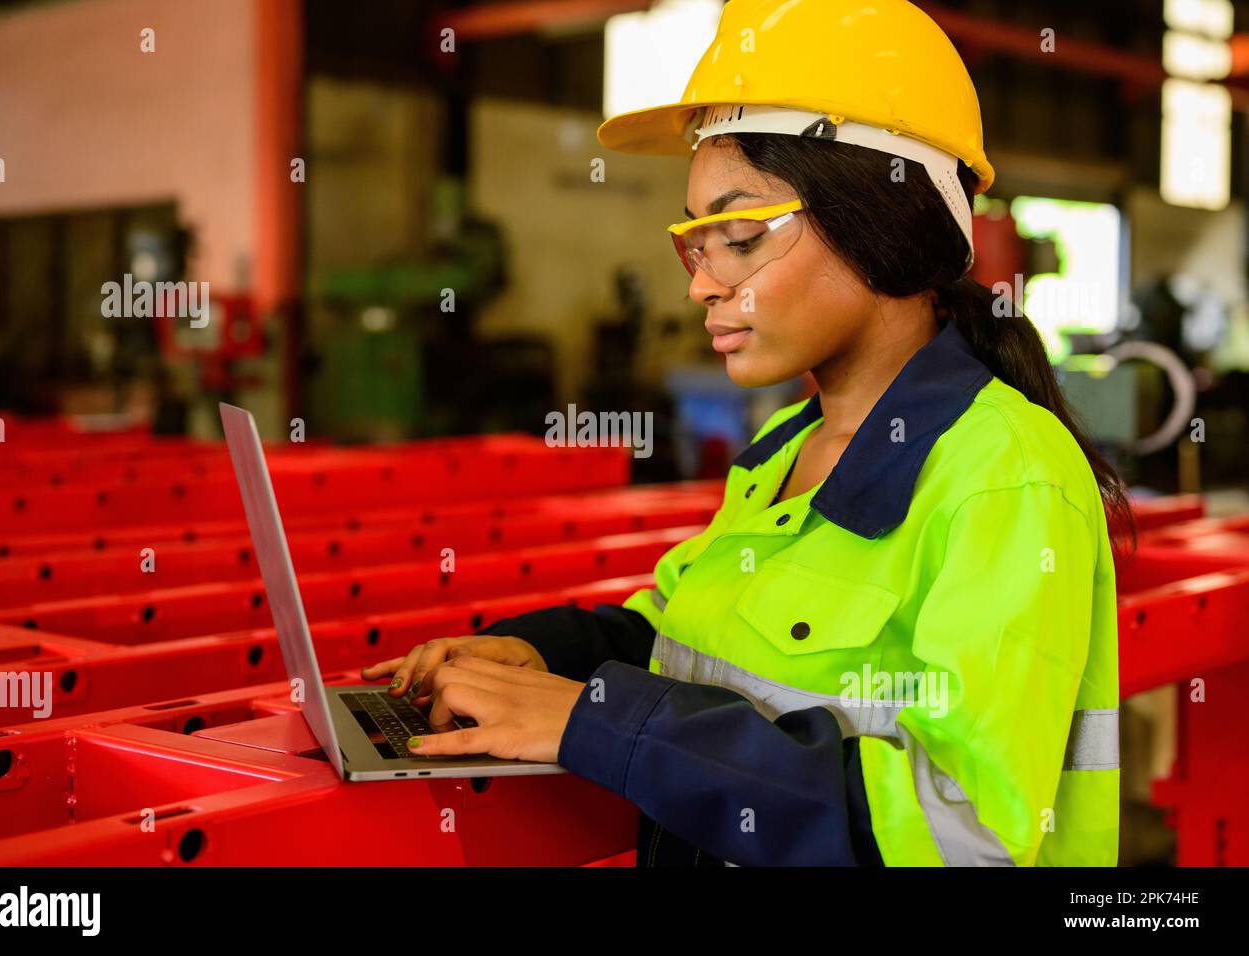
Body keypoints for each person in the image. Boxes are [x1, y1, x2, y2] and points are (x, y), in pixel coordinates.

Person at [362, 0, 1135, 866]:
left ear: (877, 218)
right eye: (696, 243)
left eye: (738, 234)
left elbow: (964, 832)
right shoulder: (782, 454)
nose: (703, 285)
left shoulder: (1003, 476)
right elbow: (692, 643)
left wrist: (604, 724)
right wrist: (541, 656)